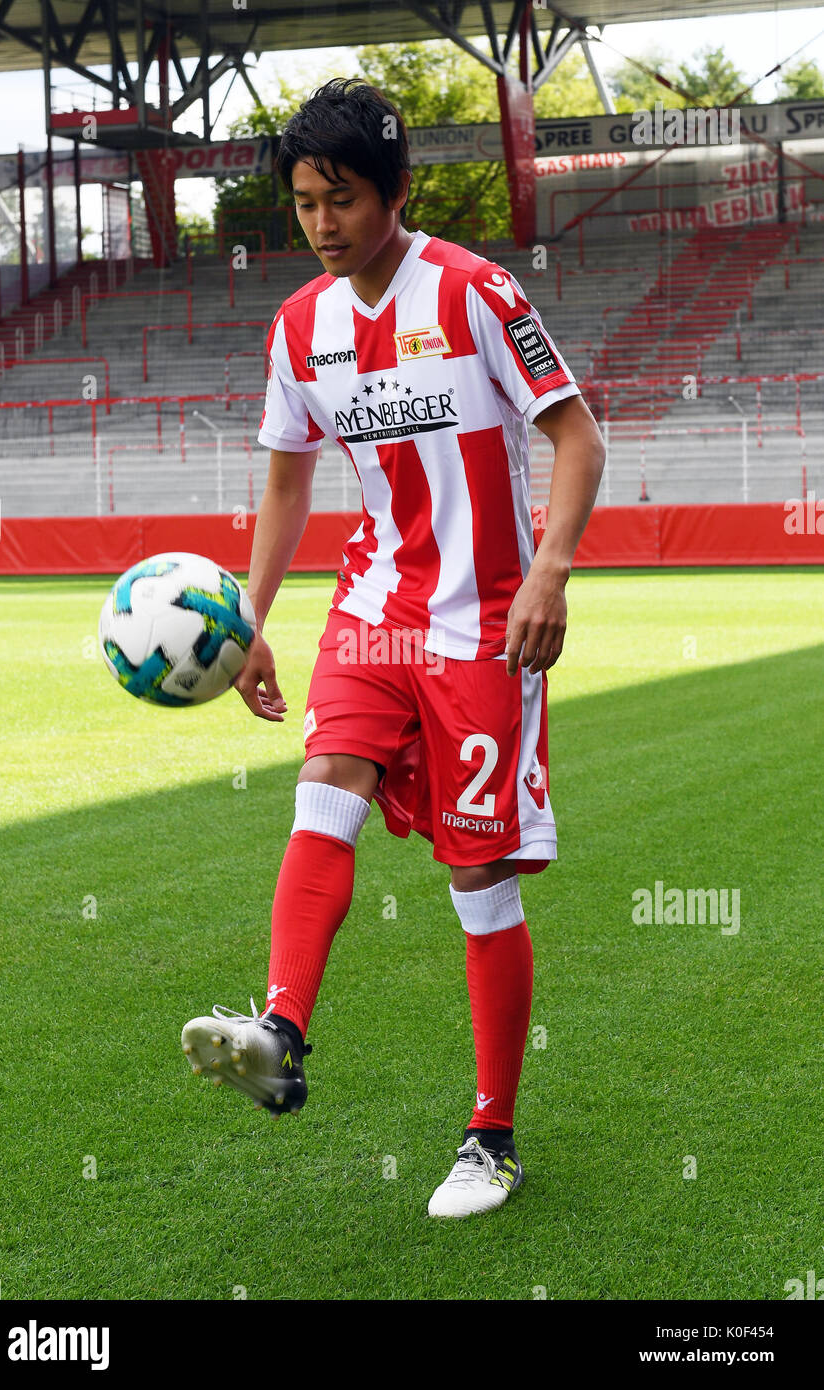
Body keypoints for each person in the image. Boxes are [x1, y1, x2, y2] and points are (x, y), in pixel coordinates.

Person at [182, 77, 605, 1219]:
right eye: (307, 201)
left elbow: (575, 433)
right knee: (323, 787)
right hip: (369, 609)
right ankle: (278, 1028)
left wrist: (552, 571)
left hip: (482, 623)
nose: (323, 222)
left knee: (476, 879)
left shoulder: (473, 291)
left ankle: (491, 1133)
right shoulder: (299, 326)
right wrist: (251, 617)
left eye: (344, 199)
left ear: (395, 191)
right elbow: (284, 475)